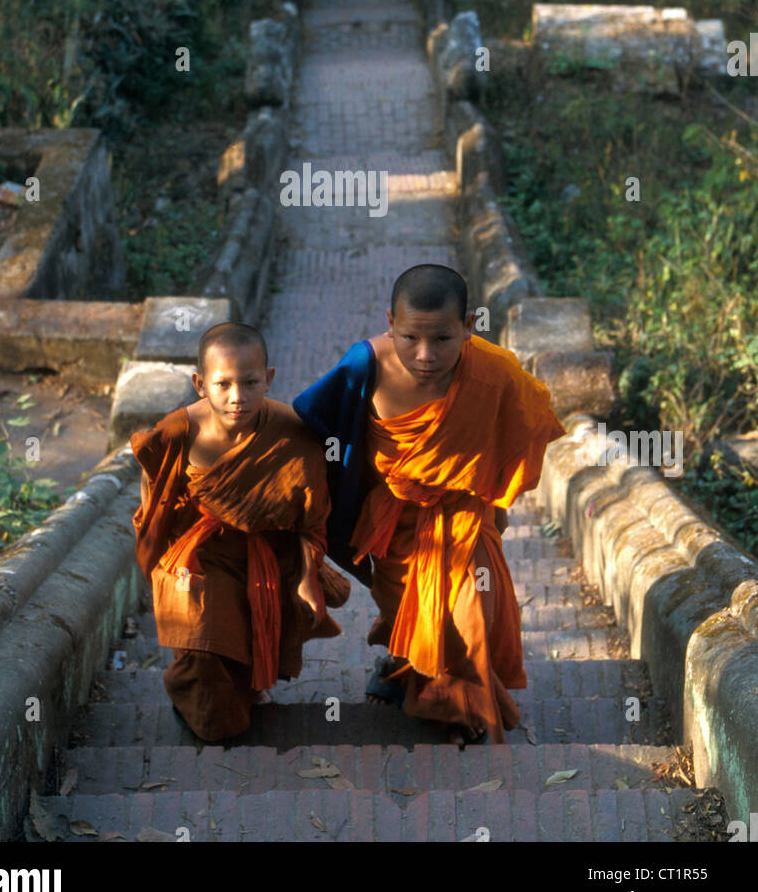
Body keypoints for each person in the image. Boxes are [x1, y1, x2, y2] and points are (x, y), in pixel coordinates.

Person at [293, 264, 565, 747]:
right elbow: (310, 423)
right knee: (407, 610)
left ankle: (456, 708)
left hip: (462, 518)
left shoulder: (494, 372)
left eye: (442, 338)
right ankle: (407, 669)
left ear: (469, 327)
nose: (424, 355)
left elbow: (528, 426)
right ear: (389, 322)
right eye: (409, 337)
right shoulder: (365, 366)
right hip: (391, 521)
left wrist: (493, 497)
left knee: (468, 616)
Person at [130, 321, 349, 743]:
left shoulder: (293, 434)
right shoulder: (178, 433)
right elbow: (153, 499)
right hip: (201, 555)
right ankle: (200, 702)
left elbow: (312, 518)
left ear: (268, 379)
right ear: (199, 383)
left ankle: (242, 689)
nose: (237, 397)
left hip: (267, 554)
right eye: (223, 383)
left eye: (250, 382)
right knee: (204, 653)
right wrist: (162, 558)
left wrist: (306, 578)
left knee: (245, 640)